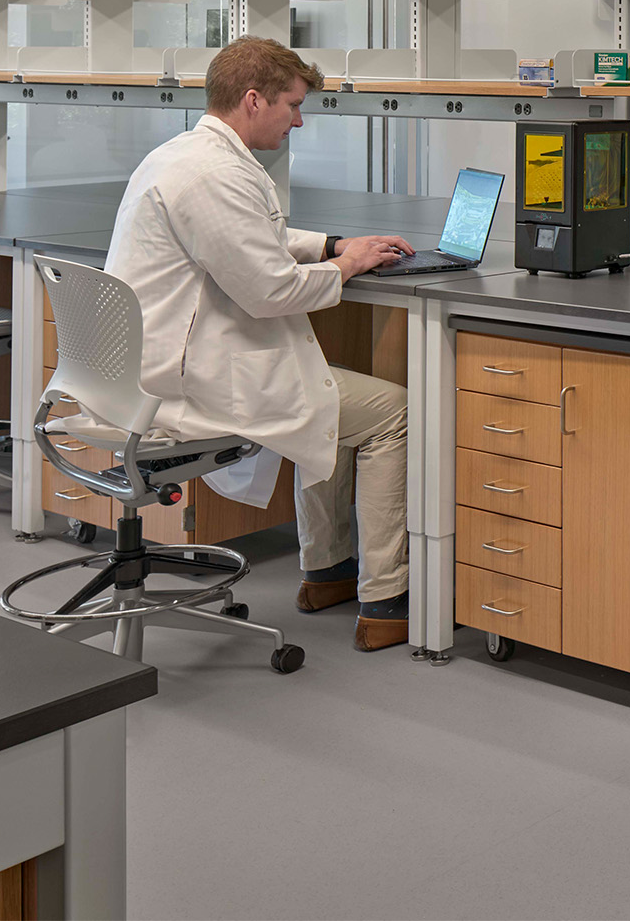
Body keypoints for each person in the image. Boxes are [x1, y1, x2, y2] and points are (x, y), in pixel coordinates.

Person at [104, 36, 417, 650]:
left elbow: (254, 235)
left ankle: (327, 574)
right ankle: (387, 602)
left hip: (147, 369)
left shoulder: (184, 155)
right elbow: (269, 292)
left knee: (327, 395)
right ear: (254, 100)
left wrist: (331, 247)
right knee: (390, 414)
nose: (299, 119)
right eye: (293, 105)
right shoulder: (214, 173)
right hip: (188, 383)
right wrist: (349, 268)